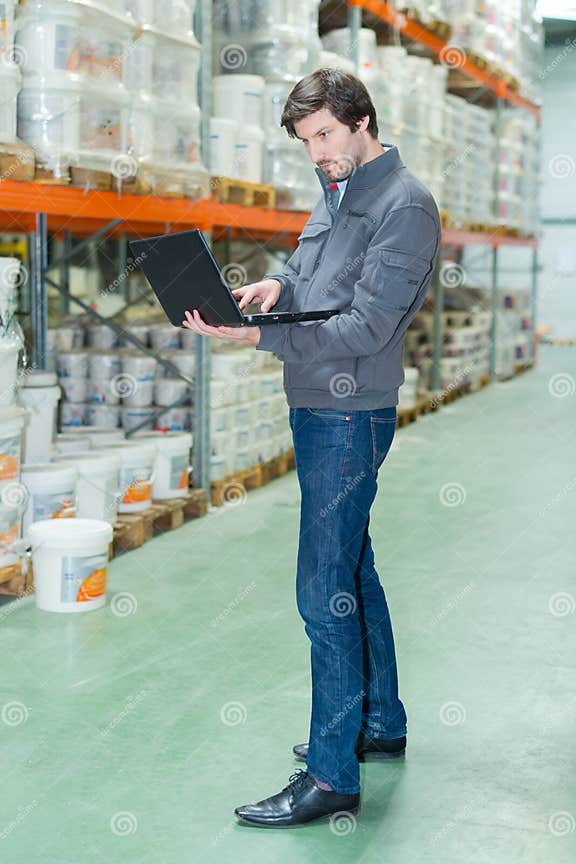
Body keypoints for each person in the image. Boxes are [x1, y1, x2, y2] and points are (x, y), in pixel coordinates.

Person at [183, 67, 441, 828]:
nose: (316, 153)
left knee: (321, 590)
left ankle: (332, 776)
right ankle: (379, 723)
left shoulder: (406, 206)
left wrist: (254, 337)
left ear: (363, 120)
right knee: (353, 569)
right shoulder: (336, 189)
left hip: (349, 414)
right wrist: (274, 290)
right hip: (317, 406)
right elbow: (311, 278)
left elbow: (366, 328)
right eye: (305, 141)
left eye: (324, 135)